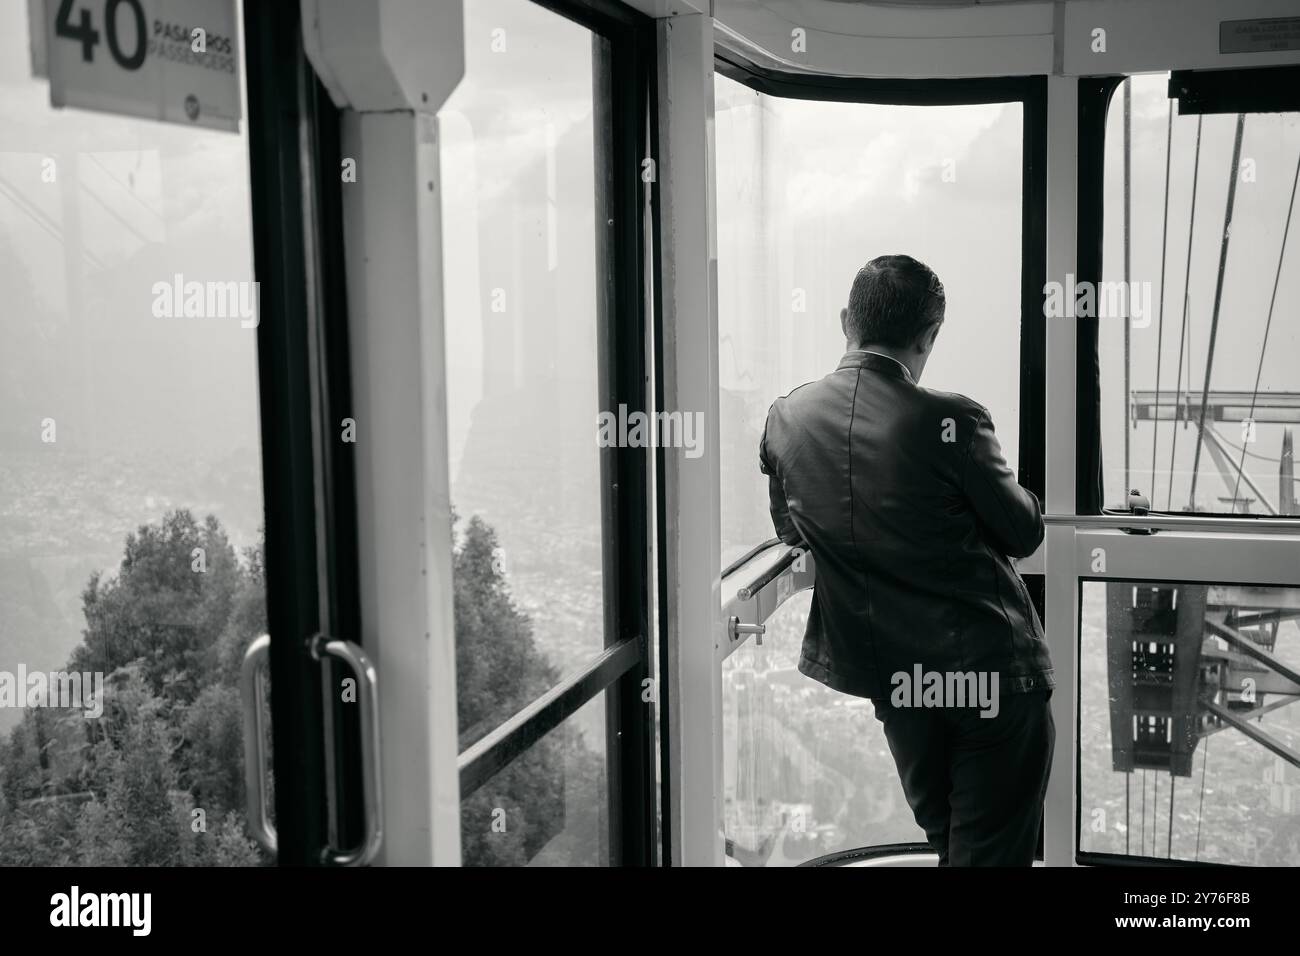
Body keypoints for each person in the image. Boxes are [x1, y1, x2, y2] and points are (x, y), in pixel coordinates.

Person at [758, 254, 1054, 866]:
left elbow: (794, 530)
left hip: (900, 683)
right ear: (930, 336)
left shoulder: (786, 420)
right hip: (991, 679)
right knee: (990, 853)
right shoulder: (952, 421)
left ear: (847, 320)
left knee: (954, 844)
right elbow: (1023, 531)